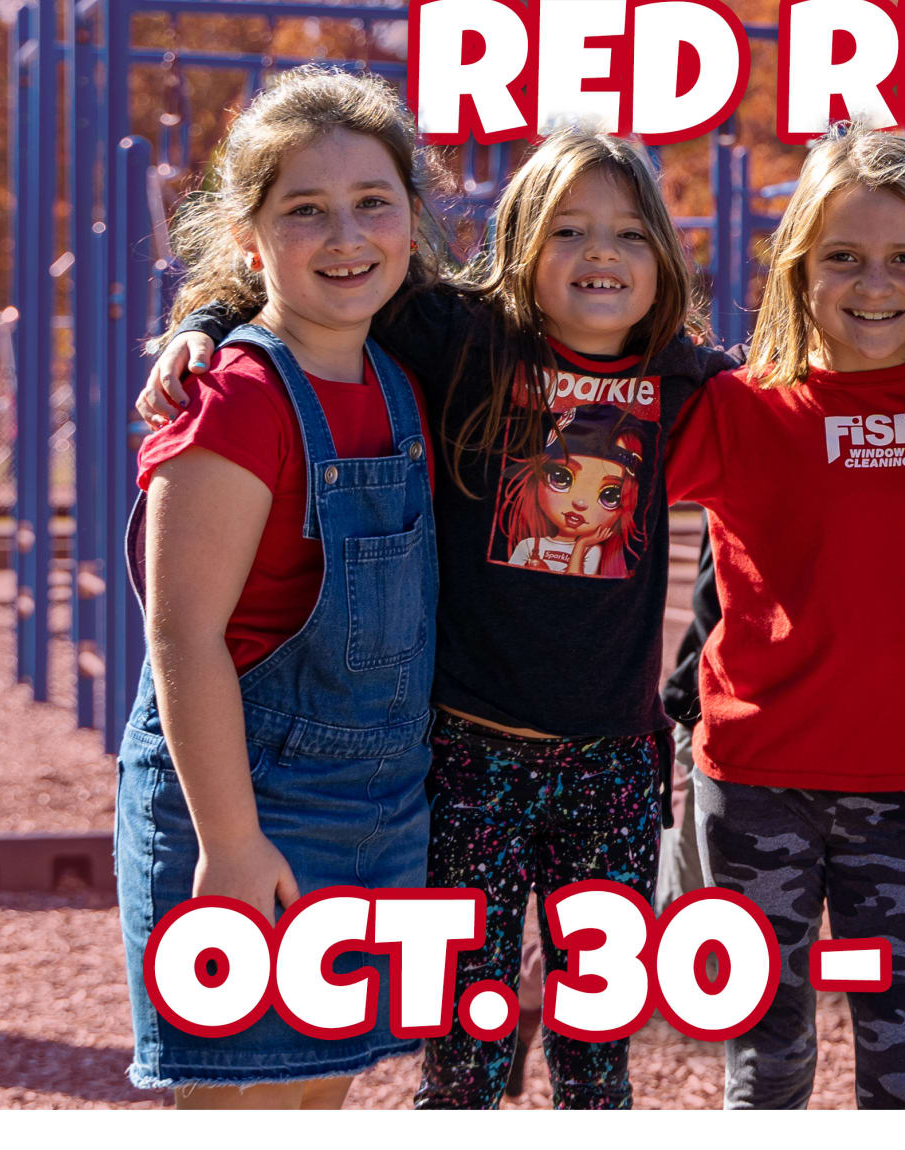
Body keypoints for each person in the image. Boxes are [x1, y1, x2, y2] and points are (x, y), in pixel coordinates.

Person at [140, 129, 732, 1109]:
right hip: (468, 760)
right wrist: (203, 318)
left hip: (614, 767)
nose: (599, 253)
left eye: (629, 234)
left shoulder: (683, 380)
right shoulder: (458, 338)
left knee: (598, 1050)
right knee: (464, 1041)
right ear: (517, 245)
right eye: (569, 229)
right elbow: (319, 284)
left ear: (661, 260)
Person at [663, 120, 905, 1109]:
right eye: (844, 259)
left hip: (901, 789)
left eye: (904, 258)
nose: (875, 283)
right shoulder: (739, 409)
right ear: (797, 271)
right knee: (766, 1057)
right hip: (752, 780)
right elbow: (577, 406)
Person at [117, 67, 447, 1107]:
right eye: (305, 210)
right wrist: (229, 840)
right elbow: (181, 634)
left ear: (410, 219)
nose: (345, 235)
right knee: (239, 1098)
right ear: (251, 237)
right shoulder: (236, 398)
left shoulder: (401, 372)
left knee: (318, 1091)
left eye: (371, 204)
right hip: (247, 796)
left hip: (377, 802)